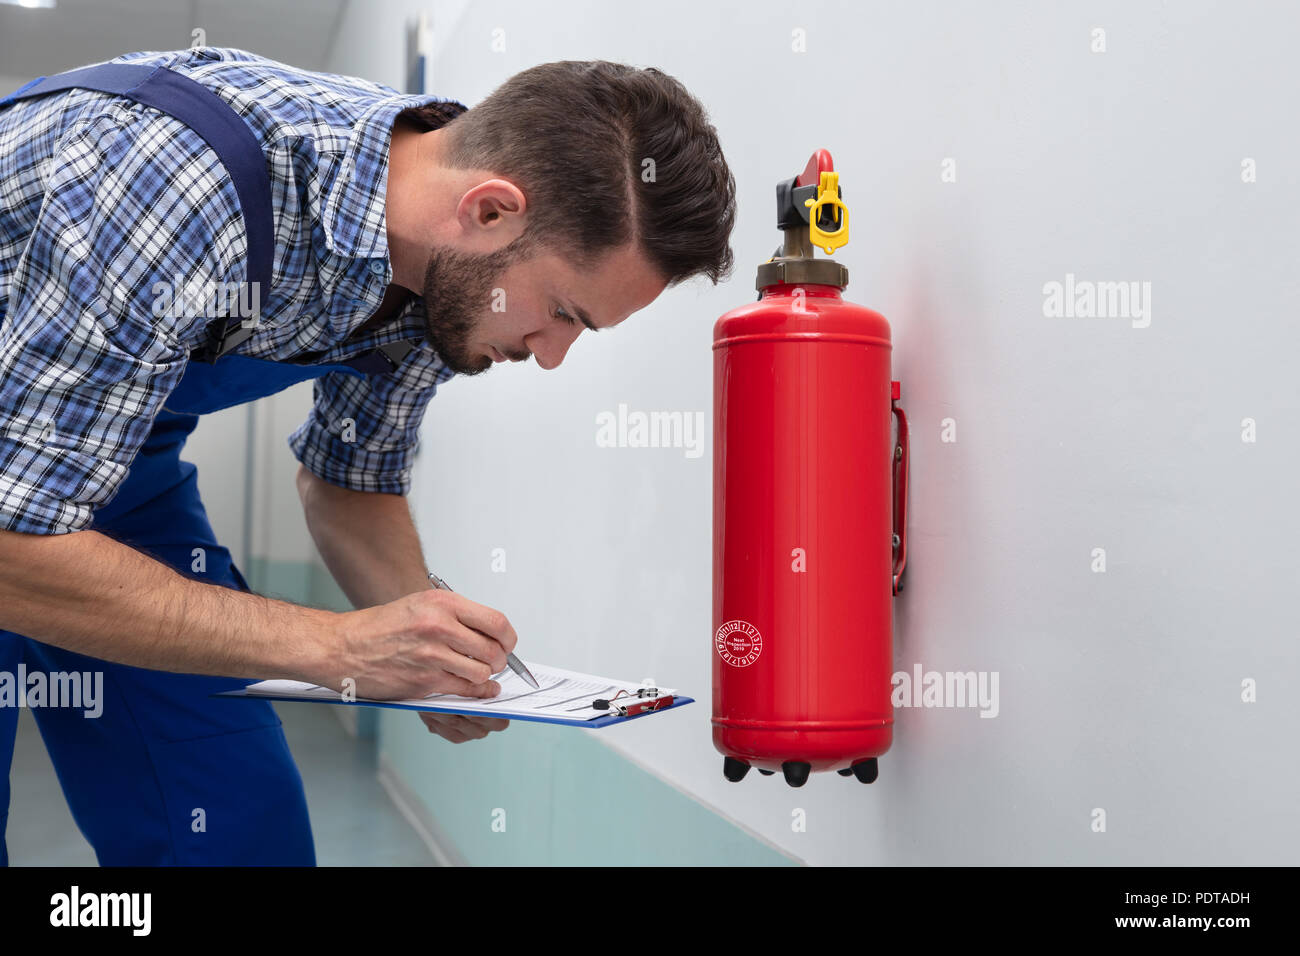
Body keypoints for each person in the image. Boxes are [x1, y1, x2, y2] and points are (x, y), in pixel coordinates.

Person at [0, 46, 736, 865]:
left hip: (113, 467)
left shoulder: (440, 268)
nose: (552, 353)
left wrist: (428, 648)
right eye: (563, 312)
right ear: (490, 210)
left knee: (238, 826)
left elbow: (349, 480)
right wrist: (338, 649)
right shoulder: (181, 180)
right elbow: (13, 548)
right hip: (11, 517)